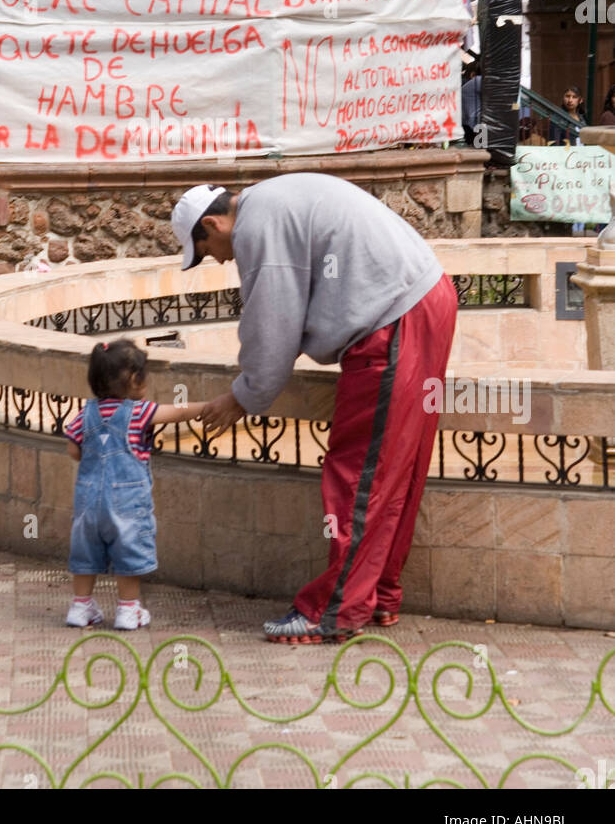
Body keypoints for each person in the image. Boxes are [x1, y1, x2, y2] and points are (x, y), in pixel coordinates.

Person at [171, 177, 457, 646]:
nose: (219, 260)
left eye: (206, 250)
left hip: (393, 320)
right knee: (395, 469)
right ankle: (377, 595)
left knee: (359, 472)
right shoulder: (275, 198)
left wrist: (244, 396)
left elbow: (272, 323)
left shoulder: (256, 226)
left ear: (212, 222)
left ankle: (334, 611)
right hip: (423, 300)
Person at [64, 339, 206, 631]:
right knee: (128, 551)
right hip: (127, 503)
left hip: (88, 503)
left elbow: (74, 450)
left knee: (85, 553)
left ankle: (80, 607)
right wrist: (210, 406)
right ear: (135, 380)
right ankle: (128, 611)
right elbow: (178, 412)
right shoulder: (138, 413)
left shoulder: (85, 413)